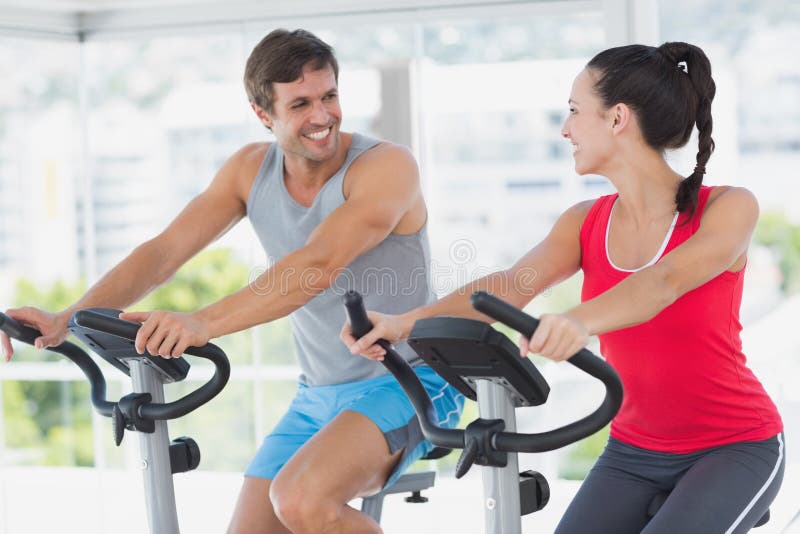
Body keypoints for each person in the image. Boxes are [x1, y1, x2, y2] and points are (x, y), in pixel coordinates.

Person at [1, 29, 463, 534]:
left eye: (330, 96)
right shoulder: (249, 170)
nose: (324, 116)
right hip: (319, 393)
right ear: (263, 114)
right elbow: (164, 252)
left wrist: (201, 322)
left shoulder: (386, 166)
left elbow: (316, 266)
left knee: (303, 500)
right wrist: (65, 319)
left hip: (411, 379)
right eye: (301, 104)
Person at [343, 41, 784, 534]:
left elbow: (665, 281)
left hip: (733, 445)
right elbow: (512, 285)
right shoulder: (583, 223)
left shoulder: (727, 208)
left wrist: (577, 323)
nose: (565, 128)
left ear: (617, 119)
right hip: (633, 451)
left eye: (575, 111)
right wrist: (402, 323)